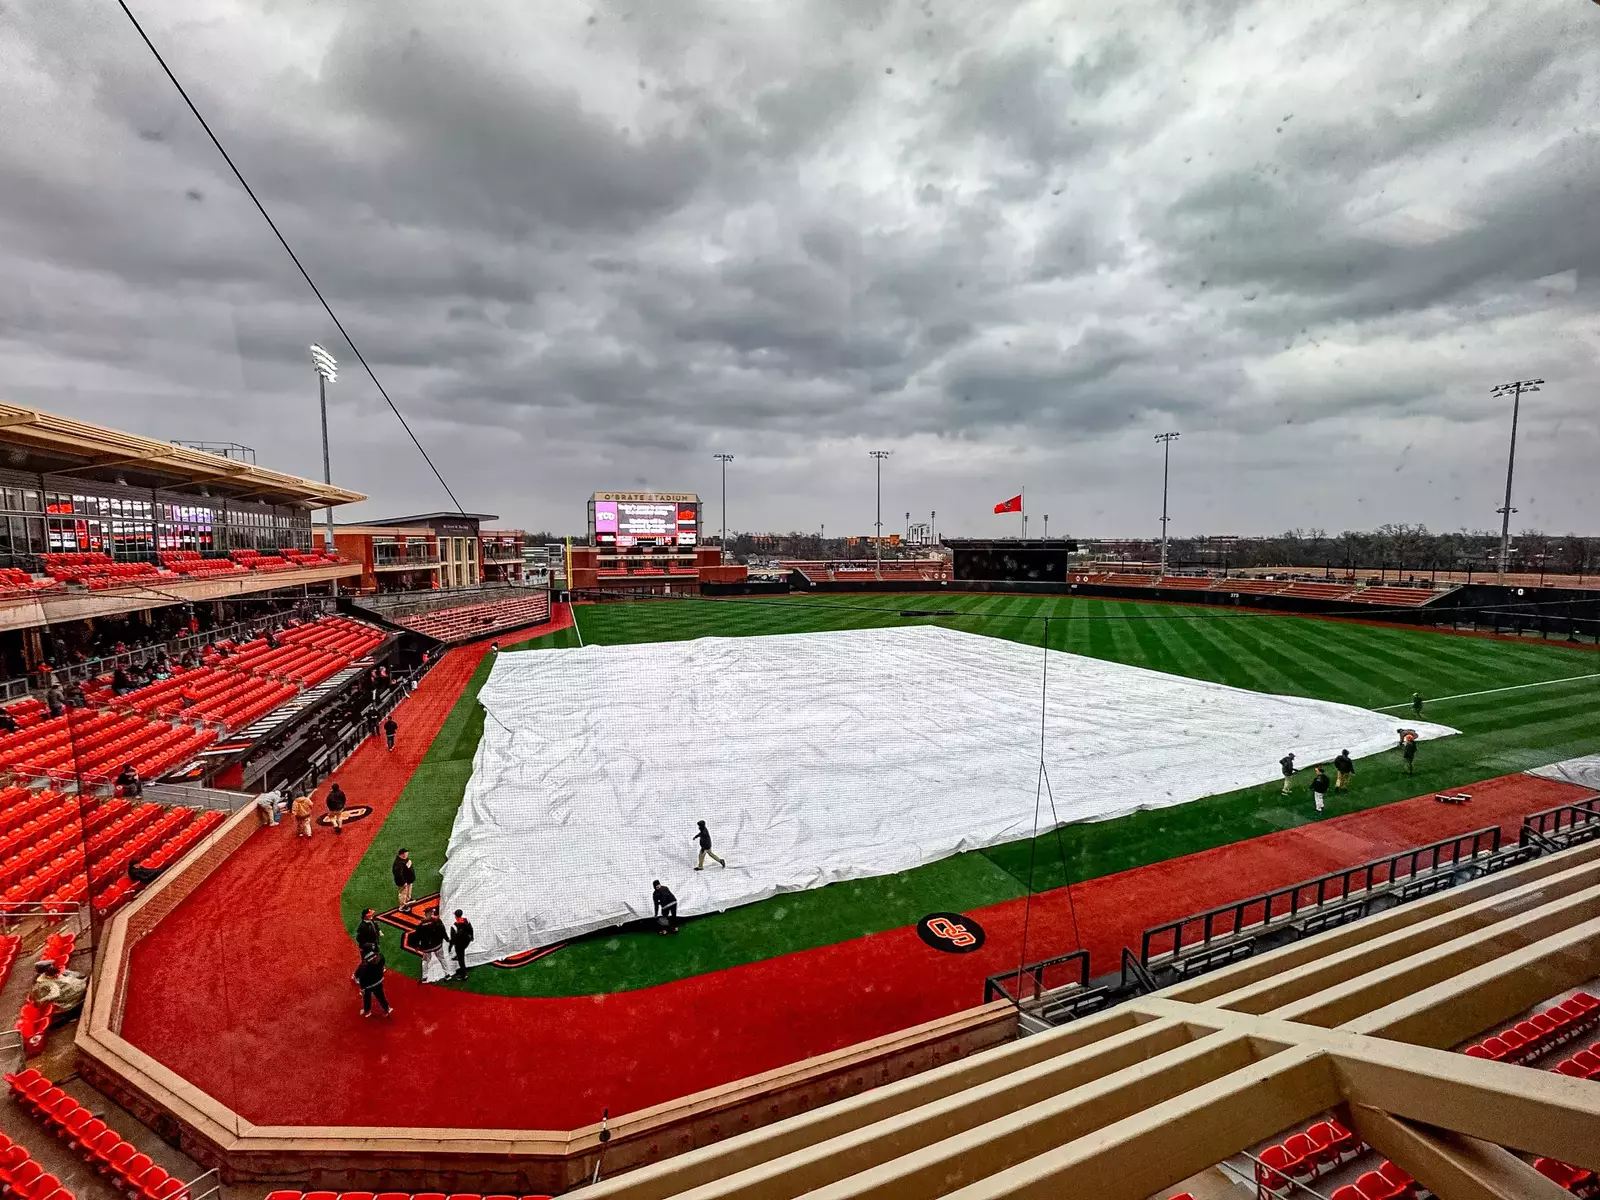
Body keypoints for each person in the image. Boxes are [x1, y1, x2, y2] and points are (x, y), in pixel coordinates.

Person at [414, 907, 450, 981]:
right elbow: (443, 931)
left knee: (425, 961)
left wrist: (417, 946)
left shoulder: (420, 925)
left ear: (425, 914)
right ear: (431, 913)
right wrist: (447, 939)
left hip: (426, 947)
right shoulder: (437, 921)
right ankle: (447, 974)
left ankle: (424, 977)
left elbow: (417, 937)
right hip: (437, 945)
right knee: (442, 958)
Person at [353, 948, 391, 1018]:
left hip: (368, 986)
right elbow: (383, 966)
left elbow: (362, 978)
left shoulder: (364, 965)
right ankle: (387, 1009)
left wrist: (362, 988)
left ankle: (367, 1011)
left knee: (367, 998)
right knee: (381, 996)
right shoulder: (380, 956)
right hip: (379, 981)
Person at [448, 909, 474, 979]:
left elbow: (452, 939)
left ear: (455, 916)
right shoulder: (466, 920)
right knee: (461, 952)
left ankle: (464, 975)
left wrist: (450, 948)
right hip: (466, 941)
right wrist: (472, 937)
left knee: (461, 959)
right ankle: (457, 956)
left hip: (459, 944)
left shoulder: (454, 926)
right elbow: (471, 929)